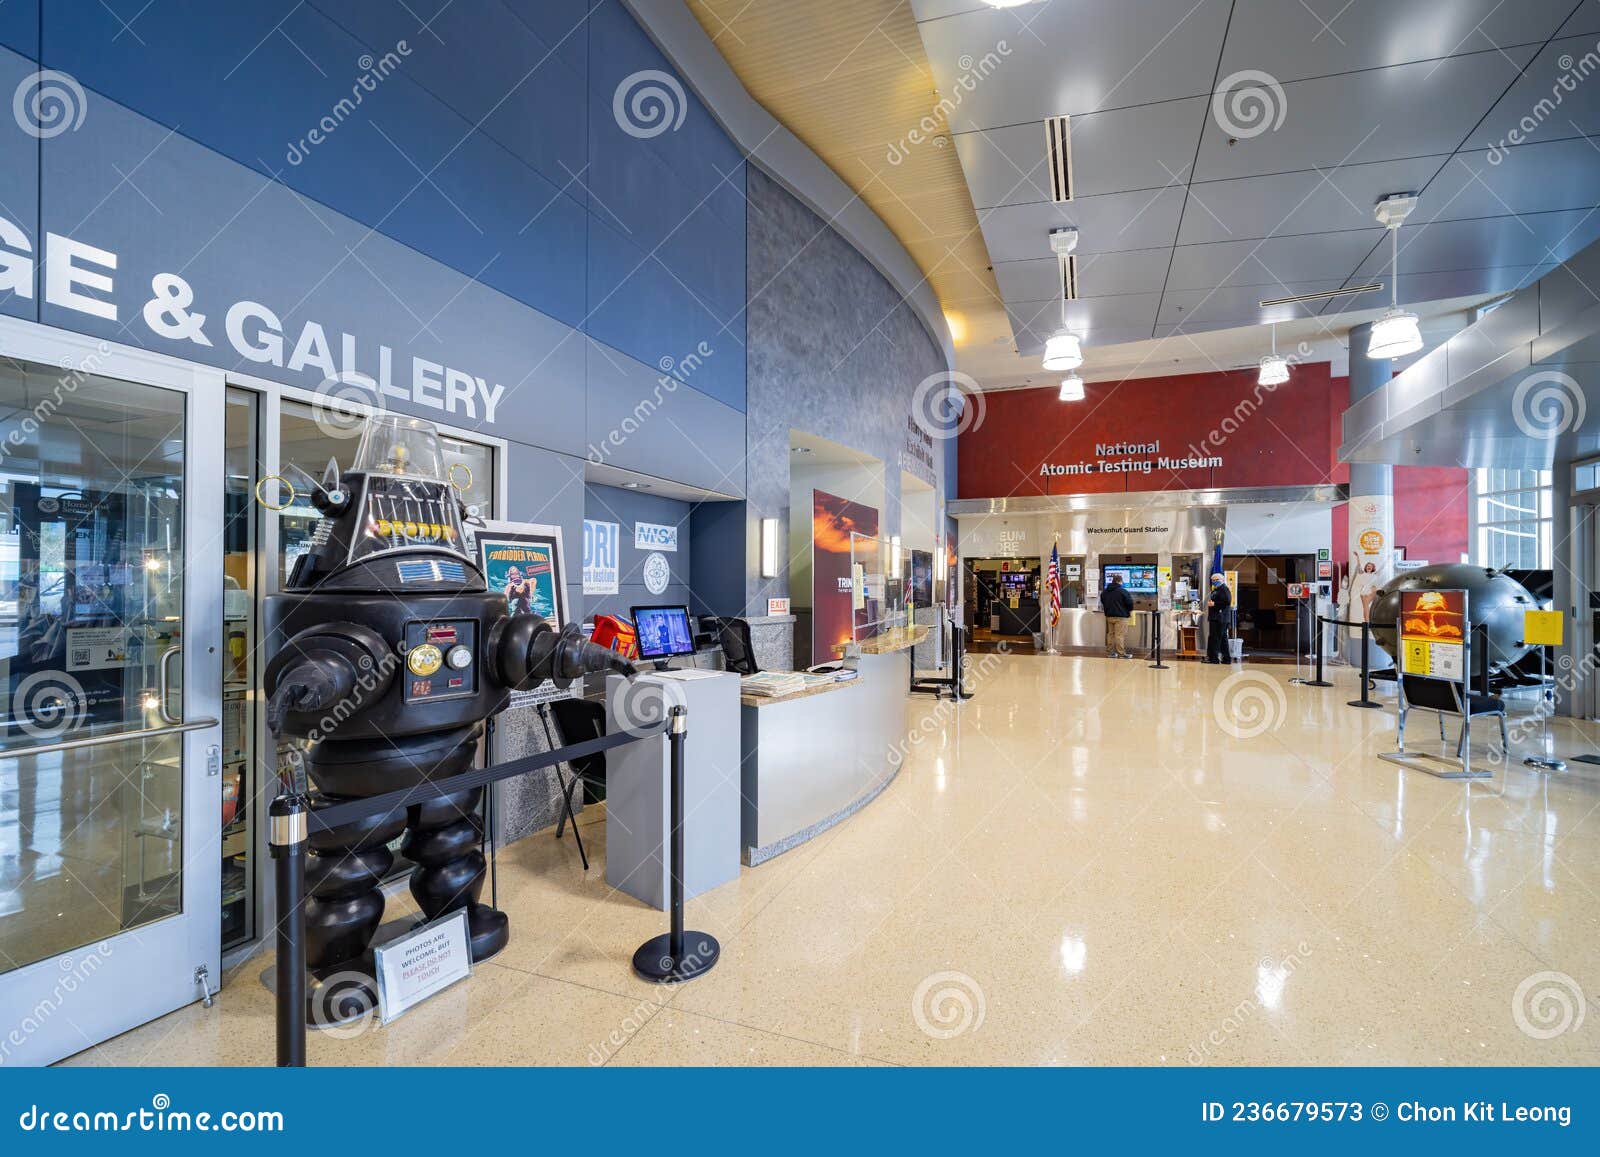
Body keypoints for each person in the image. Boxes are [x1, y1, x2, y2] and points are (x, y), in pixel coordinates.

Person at [1100, 574, 1135, 658]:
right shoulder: (1123, 591)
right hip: (1121, 617)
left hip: (1109, 616)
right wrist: (1128, 610)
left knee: (1110, 634)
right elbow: (1130, 603)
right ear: (1119, 581)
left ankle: (1110, 653)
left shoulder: (1105, 592)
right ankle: (1121, 653)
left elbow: (1103, 601)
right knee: (1119, 635)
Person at [1205, 572, 1232, 663]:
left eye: (1216, 580)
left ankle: (1214, 658)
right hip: (1215, 617)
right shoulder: (1216, 589)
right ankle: (1226, 659)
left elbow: (1227, 601)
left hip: (1220, 618)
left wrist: (1215, 604)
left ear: (1222, 580)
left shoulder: (1224, 589)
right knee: (1222, 639)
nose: (1214, 581)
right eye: (1213, 580)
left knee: (1215, 638)